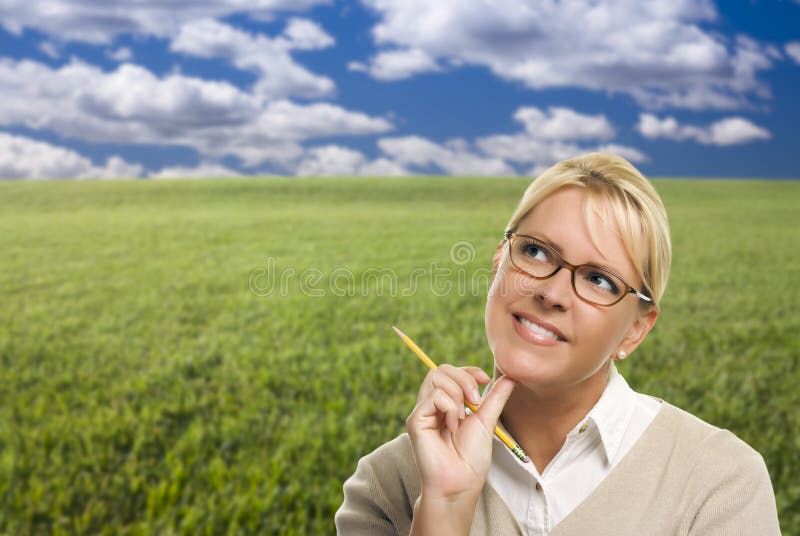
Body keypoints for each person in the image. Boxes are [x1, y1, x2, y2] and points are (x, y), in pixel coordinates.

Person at [334, 153, 780, 535]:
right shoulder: (386, 484)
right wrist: (446, 507)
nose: (551, 293)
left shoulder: (719, 483)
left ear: (636, 330)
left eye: (599, 279)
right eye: (536, 252)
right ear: (498, 264)